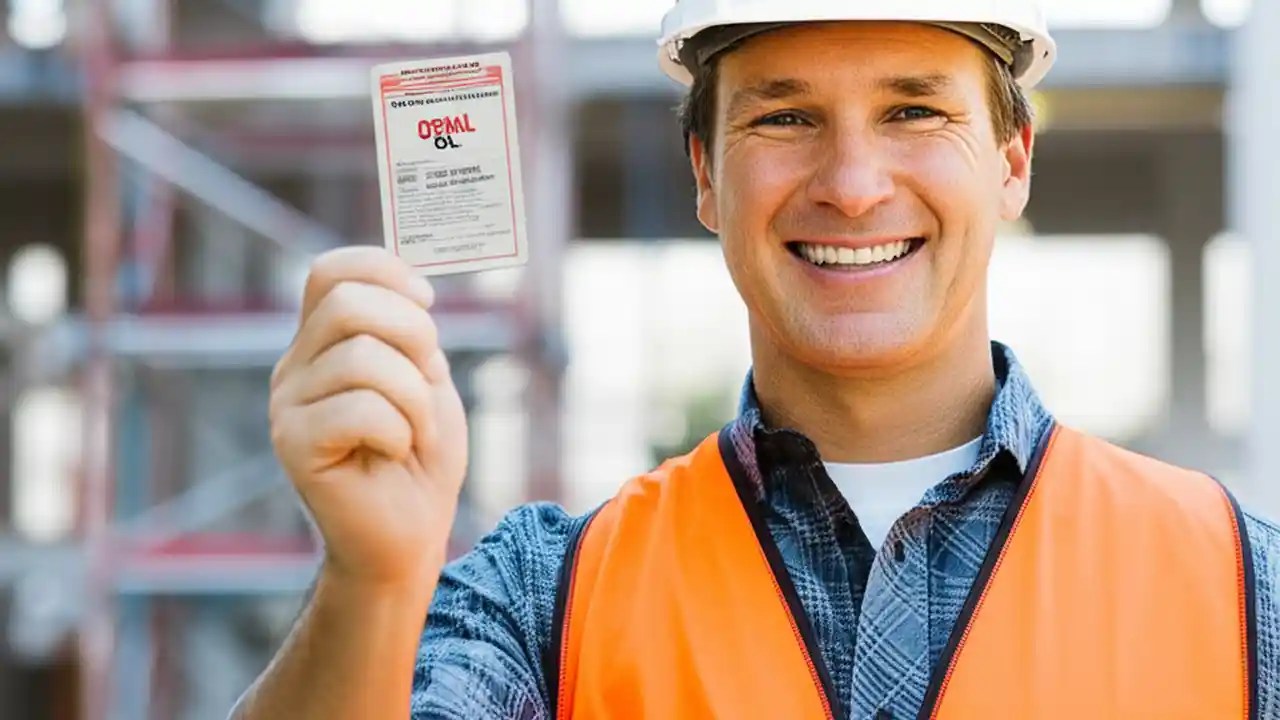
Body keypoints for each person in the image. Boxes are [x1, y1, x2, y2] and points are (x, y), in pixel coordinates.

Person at [231, 0, 1280, 717]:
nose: (853, 184)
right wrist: (371, 582)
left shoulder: (1243, 589)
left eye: (912, 110)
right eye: (785, 117)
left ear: (1009, 160)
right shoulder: (545, 604)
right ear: (703, 172)